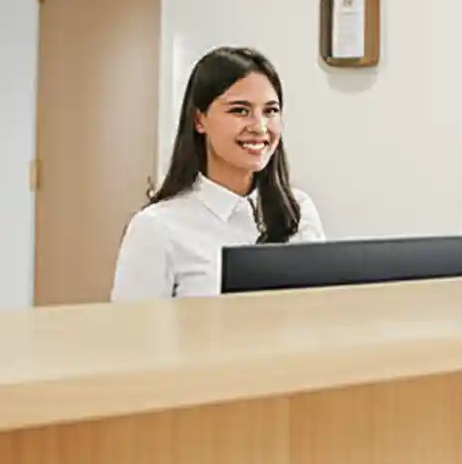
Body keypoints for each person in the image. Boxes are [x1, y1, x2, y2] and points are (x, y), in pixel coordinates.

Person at [111, 47, 325, 299]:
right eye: (240, 110)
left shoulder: (299, 210)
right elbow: (133, 334)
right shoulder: (157, 228)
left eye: (270, 111)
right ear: (199, 120)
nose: (259, 127)